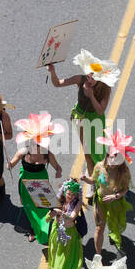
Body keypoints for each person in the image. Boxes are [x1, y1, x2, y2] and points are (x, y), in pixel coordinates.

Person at [48, 51, 119, 185]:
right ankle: (93, 179)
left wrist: (91, 95)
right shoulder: (80, 79)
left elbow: (100, 111)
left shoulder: (105, 89)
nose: (89, 79)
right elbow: (57, 83)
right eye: (89, 75)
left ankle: (99, 174)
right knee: (87, 151)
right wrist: (52, 71)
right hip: (79, 117)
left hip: (95, 121)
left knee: (97, 152)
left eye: (93, 78)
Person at [8, 111, 62, 244]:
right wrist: (9, 165)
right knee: (30, 208)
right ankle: (33, 228)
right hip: (26, 182)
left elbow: (57, 167)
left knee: (44, 207)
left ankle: (48, 228)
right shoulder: (24, 151)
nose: (35, 146)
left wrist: (58, 172)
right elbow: (12, 163)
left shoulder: (47, 154)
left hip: (40, 182)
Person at [85, 127, 135, 264]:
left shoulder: (124, 172)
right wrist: (85, 180)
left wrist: (116, 196)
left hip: (115, 204)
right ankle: (98, 256)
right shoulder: (99, 167)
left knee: (115, 227)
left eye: (116, 158)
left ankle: (113, 234)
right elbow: (94, 180)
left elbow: (125, 190)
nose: (113, 161)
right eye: (111, 156)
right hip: (100, 202)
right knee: (99, 228)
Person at [46, 179, 85, 269]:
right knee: (56, 255)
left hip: (69, 235)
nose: (71, 196)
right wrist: (52, 213)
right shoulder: (59, 200)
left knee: (66, 260)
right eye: (69, 193)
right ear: (64, 192)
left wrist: (59, 212)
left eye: (73, 194)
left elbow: (72, 217)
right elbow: (50, 212)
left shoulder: (77, 204)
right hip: (57, 230)